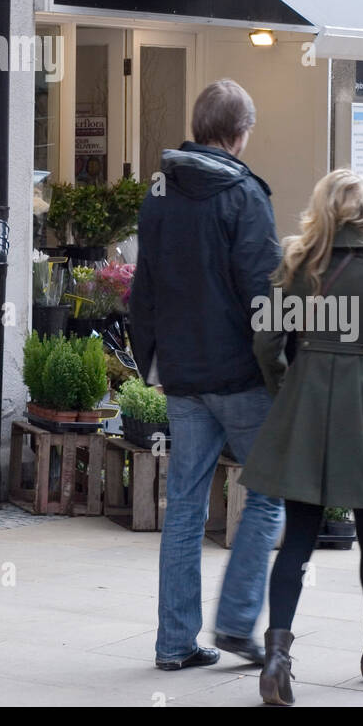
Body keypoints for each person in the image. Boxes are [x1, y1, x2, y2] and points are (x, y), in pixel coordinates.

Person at [241, 169, 363, 707]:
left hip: (307, 404)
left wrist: (286, 389)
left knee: (298, 533)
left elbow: (265, 343)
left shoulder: (296, 265)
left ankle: (276, 657)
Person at [130, 78, 284, 671]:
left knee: (186, 504)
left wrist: (153, 361)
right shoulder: (245, 194)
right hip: (240, 374)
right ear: (240, 134)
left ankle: (175, 642)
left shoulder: (160, 191)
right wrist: (280, 366)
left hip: (184, 374)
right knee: (268, 490)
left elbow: (143, 290)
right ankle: (238, 623)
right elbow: (262, 296)